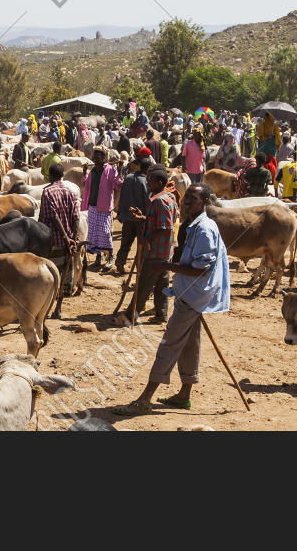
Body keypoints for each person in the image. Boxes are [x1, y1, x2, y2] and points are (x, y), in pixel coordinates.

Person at [116, 184, 231, 415]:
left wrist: (165, 266)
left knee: (169, 345)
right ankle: (184, 395)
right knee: (190, 344)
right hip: (191, 294)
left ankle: (145, 398)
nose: (187, 200)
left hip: (194, 294)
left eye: (193, 198)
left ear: (204, 201)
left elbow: (202, 268)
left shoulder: (205, 228)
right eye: (186, 196)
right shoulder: (194, 224)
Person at [126, 167, 178, 323]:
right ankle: (161, 314)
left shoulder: (160, 201)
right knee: (162, 284)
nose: (148, 184)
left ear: (160, 182)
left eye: (150, 182)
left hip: (154, 251)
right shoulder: (169, 198)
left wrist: (146, 239)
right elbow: (158, 222)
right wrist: (143, 217)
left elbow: (165, 228)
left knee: (144, 285)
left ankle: (130, 315)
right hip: (165, 252)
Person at [82, 149, 119, 271]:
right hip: (92, 205)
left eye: (98, 158)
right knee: (93, 232)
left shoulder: (110, 170)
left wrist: (121, 171)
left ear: (104, 159)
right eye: (95, 158)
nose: (96, 160)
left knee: (105, 232)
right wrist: (84, 172)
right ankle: (98, 256)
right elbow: (86, 184)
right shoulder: (92, 171)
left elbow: (118, 184)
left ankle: (110, 256)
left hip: (104, 207)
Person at [113, 155, 152, 273]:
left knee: (125, 243)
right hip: (141, 219)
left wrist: (120, 213)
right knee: (141, 245)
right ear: (148, 168)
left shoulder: (128, 178)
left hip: (128, 217)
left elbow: (122, 197)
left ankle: (120, 262)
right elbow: (148, 200)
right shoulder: (147, 182)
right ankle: (139, 267)